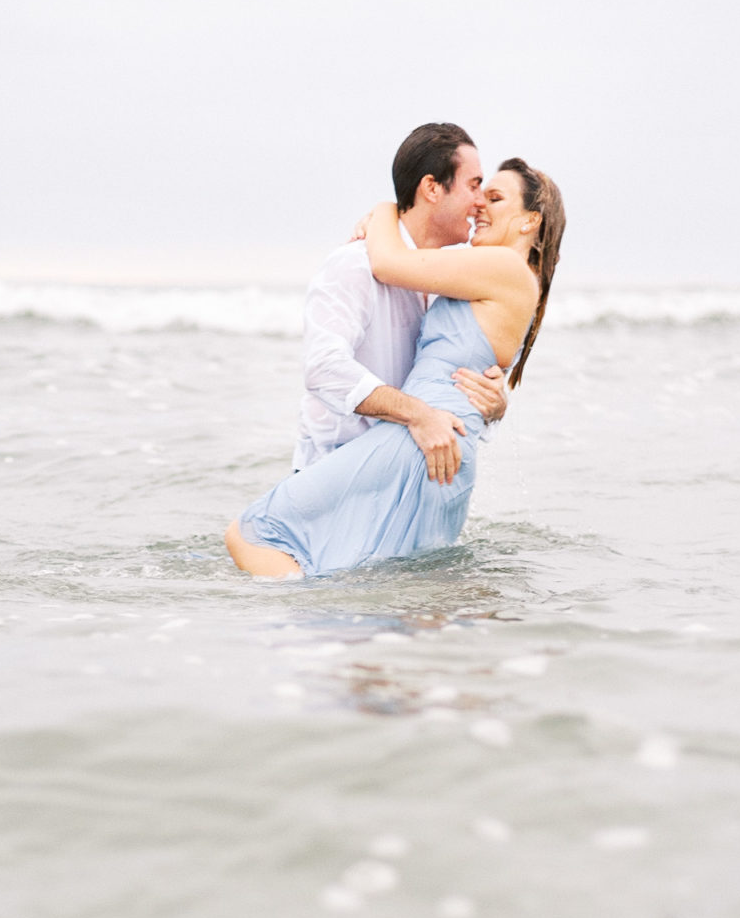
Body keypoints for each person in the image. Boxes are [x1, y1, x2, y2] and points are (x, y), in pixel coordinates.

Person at [225, 158, 565, 577]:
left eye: (494, 197)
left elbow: (387, 262)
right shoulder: (506, 276)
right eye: (478, 191)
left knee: (253, 532)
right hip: (448, 445)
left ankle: (308, 617)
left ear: (531, 220)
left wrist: (385, 209)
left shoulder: (504, 267)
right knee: (415, 599)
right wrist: (494, 407)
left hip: (422, 442)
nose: (479, 205)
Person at [294, 123, 508, 487]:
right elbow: (323, 369)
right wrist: (418, 416)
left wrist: (492, 404)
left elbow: (442, 382)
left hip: (403, 480)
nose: (480, 202)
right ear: (431, 188)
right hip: (334, 479)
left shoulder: (446, 287)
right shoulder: (354, 265)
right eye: (473, 185)